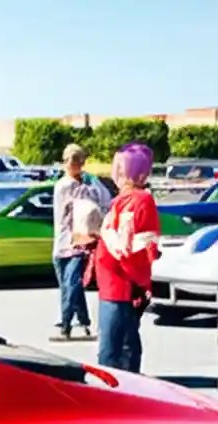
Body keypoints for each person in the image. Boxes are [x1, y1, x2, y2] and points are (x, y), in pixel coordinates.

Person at [91, 143, 160, 374]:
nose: (116, 174)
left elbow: (136, 246)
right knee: (120, 344)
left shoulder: (139, 201)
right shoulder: (124, 200)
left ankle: (117, 395)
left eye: (120, 169)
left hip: (122, 285)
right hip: (114, 283)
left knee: (114, 349)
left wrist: (139, 284)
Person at [50, 143, 112, 341]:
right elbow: (68, 211)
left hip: (80, 244)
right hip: (63, 244)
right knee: (69, 286)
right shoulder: (63, 186)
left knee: (72, 284)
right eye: (72, 161)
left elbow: (104, 201)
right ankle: (83, 322)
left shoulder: (90, 185)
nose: (76, 164)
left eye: (79, 161)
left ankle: (66, 325)